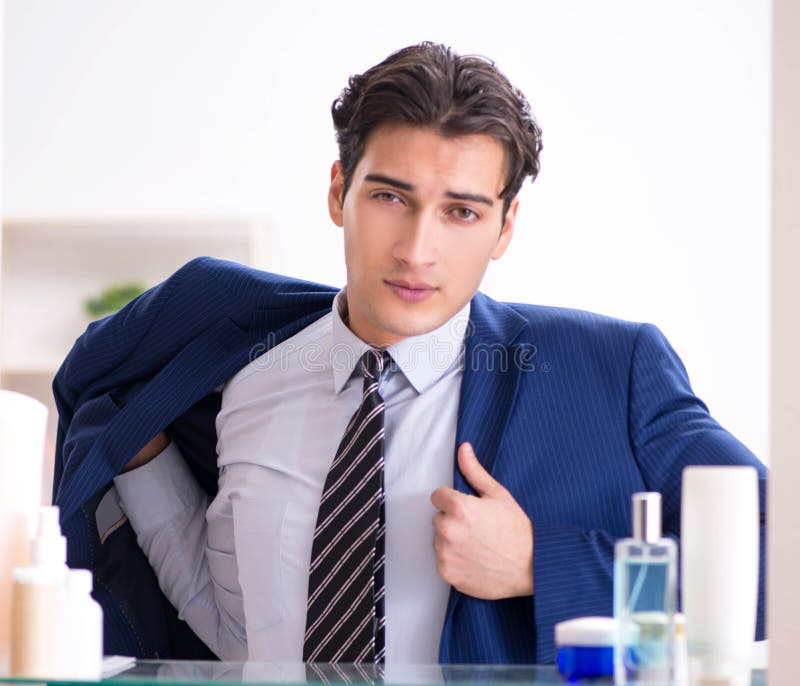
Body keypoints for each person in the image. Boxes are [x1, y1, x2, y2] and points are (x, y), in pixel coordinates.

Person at [52, 42, 766, 666]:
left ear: (505, 225)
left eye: (461, 211)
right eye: (392, 197)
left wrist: (540, 565)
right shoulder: (247, 385)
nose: (417, 250)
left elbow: (778, 558)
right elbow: (244, 633)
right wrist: (146, 470)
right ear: (340, 192)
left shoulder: (610, 370)